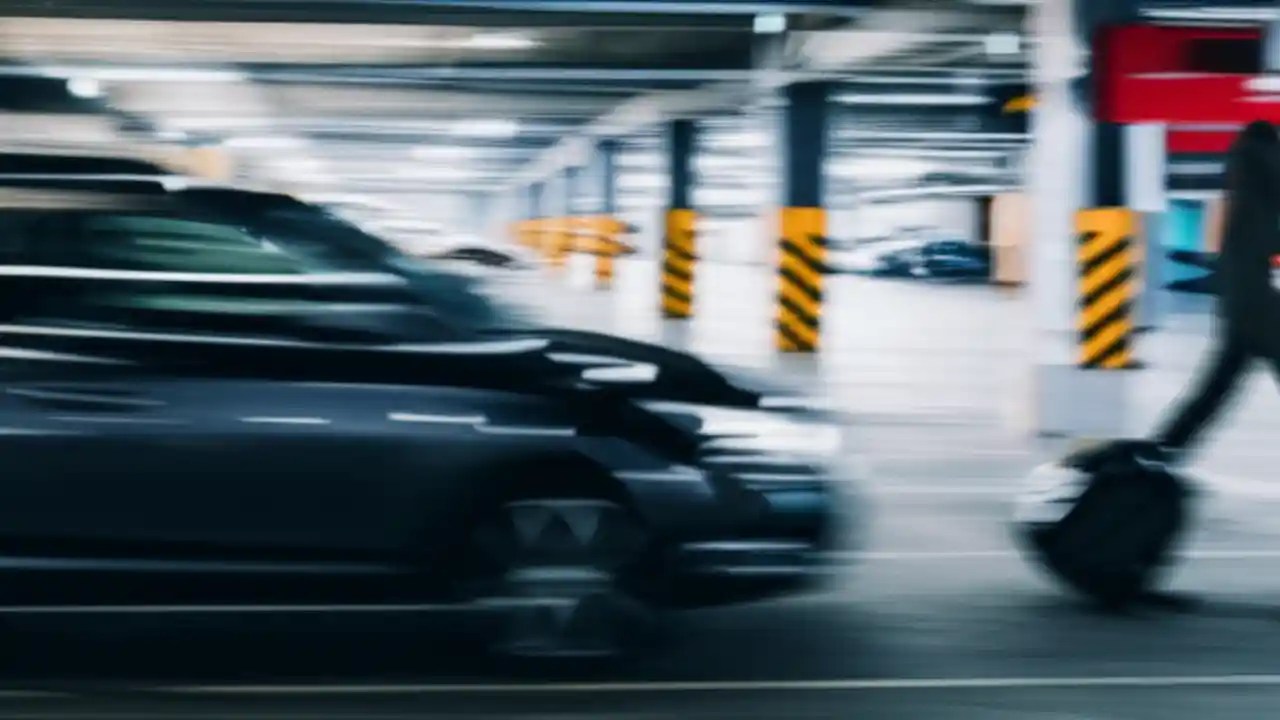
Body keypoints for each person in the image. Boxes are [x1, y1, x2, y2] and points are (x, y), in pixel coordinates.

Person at [1076, 120, 1280, 472]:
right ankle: (1163, 448)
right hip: (1258, 305)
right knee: (1214, 390)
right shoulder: (1262, 161)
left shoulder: (1244, 183)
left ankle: (1163, 448)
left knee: (1213, 392)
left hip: (1239, 303)